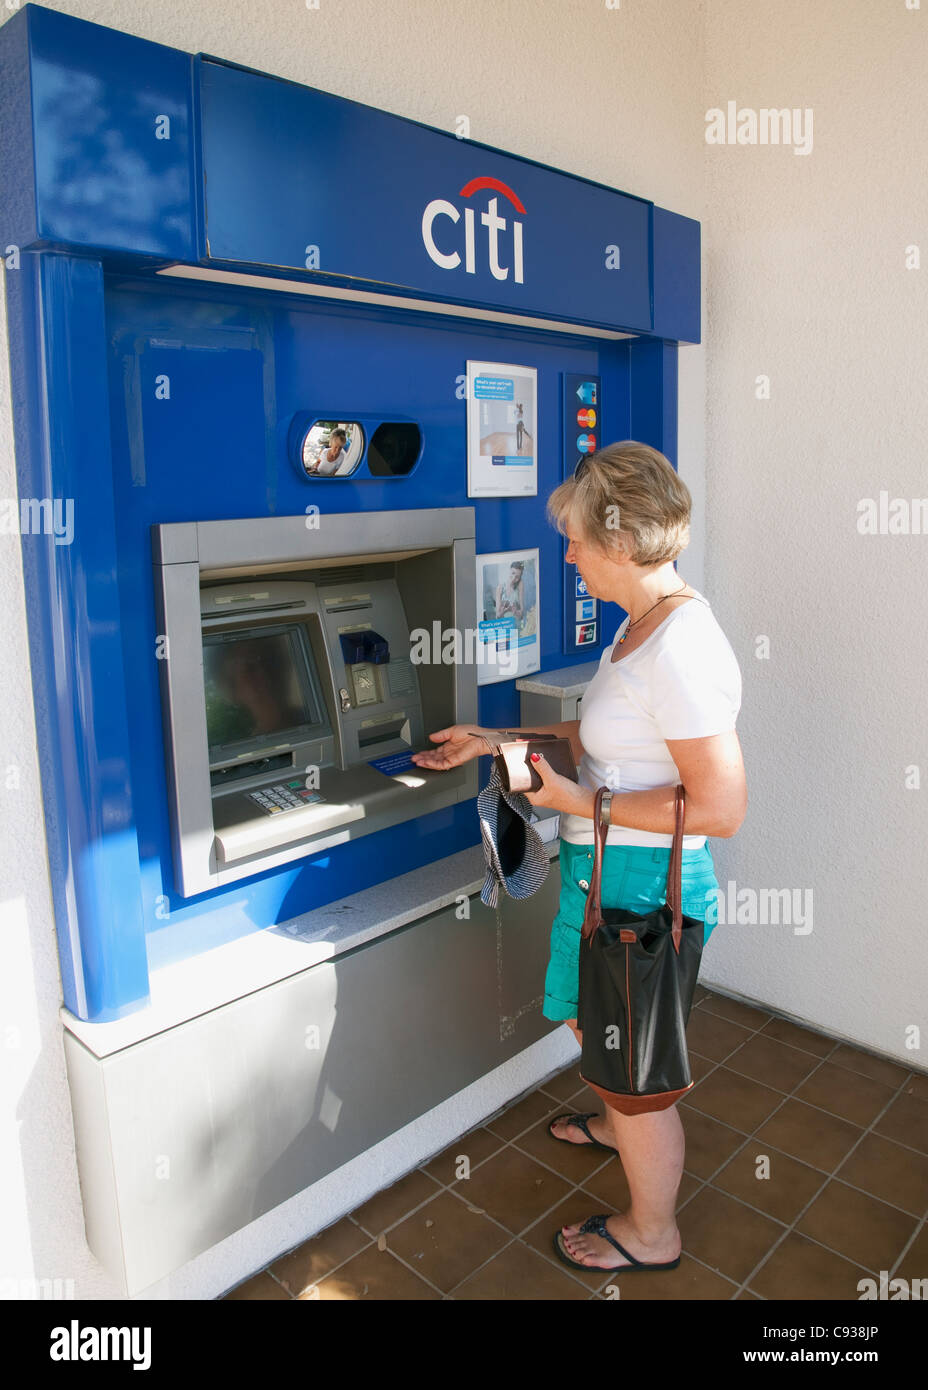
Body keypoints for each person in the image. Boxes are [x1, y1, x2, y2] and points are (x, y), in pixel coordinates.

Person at [411, 440, 746, 1274]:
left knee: (638, 1075)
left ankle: (650, 1231)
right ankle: (613, 1108)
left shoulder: (683, 649)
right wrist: (497, 738)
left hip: (640, 886)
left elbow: (719, 807)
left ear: (624, 543)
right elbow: (597, 737)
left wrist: (575, 803)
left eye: (577, 540)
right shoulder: (641, 628)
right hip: (602, 875)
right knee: (584, 1013)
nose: (567, 554)